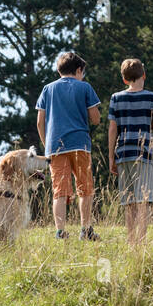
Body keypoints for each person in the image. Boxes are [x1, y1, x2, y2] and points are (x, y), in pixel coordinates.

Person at [36, 52, 101, 240]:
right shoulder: (85, 87)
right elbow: (95, 118)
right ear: (79, 70)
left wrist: (46, 143)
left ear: (59, 70)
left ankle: (60, 232)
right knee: (85, 187)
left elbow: (40, 122)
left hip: (55, 146)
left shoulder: (47, 89)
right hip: (80, 143)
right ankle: (86, 230)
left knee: (60, 190)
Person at [108, 57, 153, 245]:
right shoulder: (152, 97)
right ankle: (142, 239)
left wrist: (111, 157)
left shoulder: (116, 98)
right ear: (144, 75)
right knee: (144, 200)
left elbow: (112, 129)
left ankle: (131, 240)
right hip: (145, 153)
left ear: (124, 79)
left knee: (129, 200)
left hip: (123, 153)